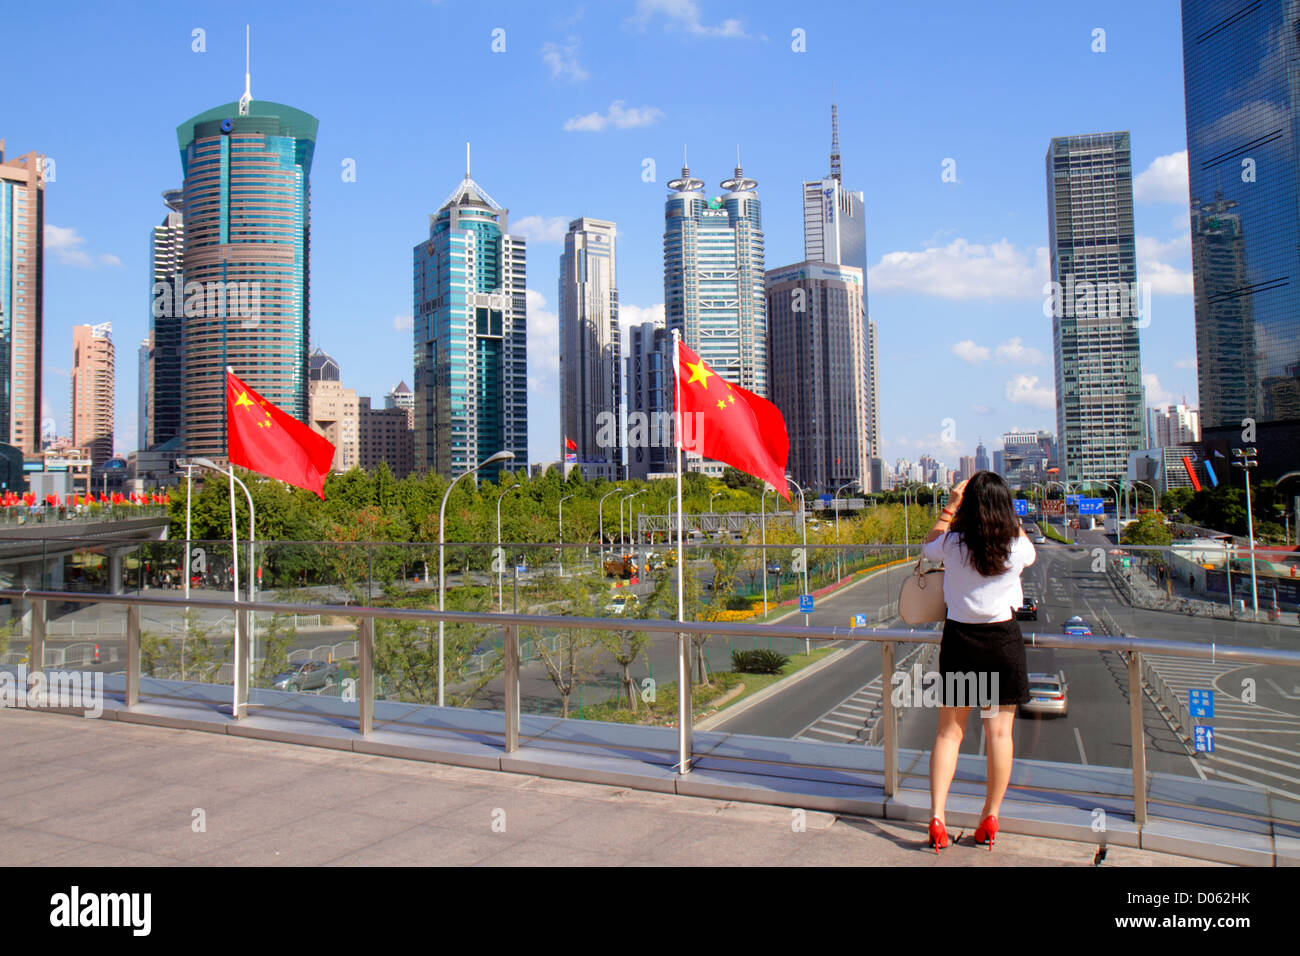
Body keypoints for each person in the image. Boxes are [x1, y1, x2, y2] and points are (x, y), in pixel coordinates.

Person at [920, 471, 1036, 852]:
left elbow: (927, 547)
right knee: (999, 734)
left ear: (968, 506)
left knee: (948, 733)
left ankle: (937, 818)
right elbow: (1029, 550)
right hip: (1002, 642)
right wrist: (1009, 517)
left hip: (960, 641)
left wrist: (950, 507)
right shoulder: (1015, 545)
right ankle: (990, 815)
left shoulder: (953, 543)